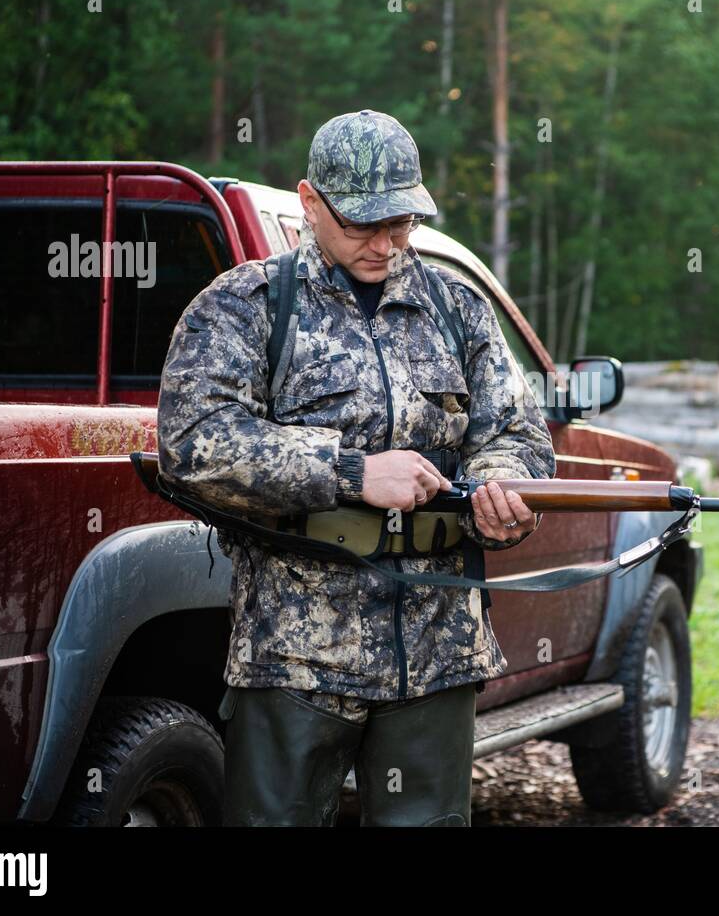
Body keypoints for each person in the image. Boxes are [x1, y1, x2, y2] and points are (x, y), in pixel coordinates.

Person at [156, 108, 556, 826]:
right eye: (363, 224)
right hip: (297, 652)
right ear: (310, 201)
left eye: (400, 222)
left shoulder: (455, 308)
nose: (385, 243)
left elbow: (516, 430)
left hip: (438, 648)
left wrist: (502, 483)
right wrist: (348, 472)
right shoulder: (249, 306)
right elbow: (193, 441)